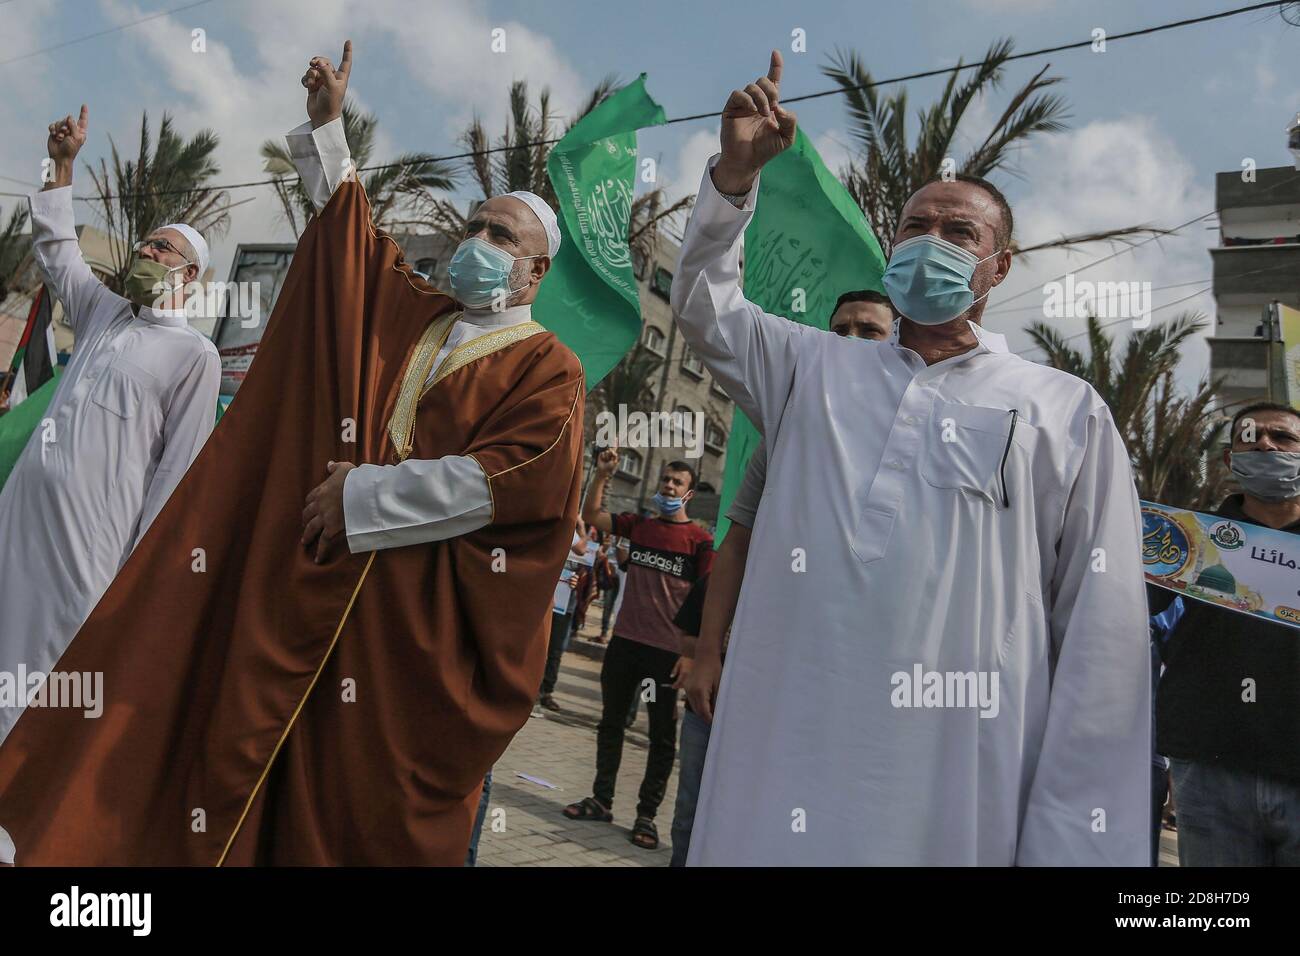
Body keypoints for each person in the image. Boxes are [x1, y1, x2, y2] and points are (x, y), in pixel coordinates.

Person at [0, 42, 585, 867]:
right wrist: (328, 126)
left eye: (500, 236)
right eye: (475, 224)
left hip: (407, 643)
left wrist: (363, 498)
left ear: (535, 272)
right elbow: (353, 245)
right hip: (318, 610)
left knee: (359, 819)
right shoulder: (416, 316)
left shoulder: (548, 368)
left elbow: (511, 481)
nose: (478, 240)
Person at [668, 51, 1149, 866]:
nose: (931, 241)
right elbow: (704, 306)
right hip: (784, 750)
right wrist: (733, 179)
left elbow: (1103, 641)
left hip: (959, 783)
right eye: (914, 226)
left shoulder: (1065, 412)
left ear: (999, 266)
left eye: (959, 232)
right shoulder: (812, 367)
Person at [0, 104, 221, 744]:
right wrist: (62, 164)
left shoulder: (193, 355)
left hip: (90, 550)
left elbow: (177, 475)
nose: (147, 251)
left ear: (191, 275)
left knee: (46, 677)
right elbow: (57, 248)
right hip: (23, 518)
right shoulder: (104, 311)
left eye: (163, 248)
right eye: (147, 241)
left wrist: (141, 577)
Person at [671, 291, 892, 866]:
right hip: (746, 678)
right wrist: (708, 655)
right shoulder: (787, 433)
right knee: (700, 827)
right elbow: (735, 545)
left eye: (869, 331)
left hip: (850, 700)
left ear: (899, 346)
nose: (851, 343)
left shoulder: (924, 446)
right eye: (839, 329)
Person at [1152, 402, 1300, 866]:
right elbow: (1125, 614)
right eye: (1249, 437)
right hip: (1211, 767)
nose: (1265, 444)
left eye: (1283, 437)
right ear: (1230, 460)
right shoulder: (1190, 541)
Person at [563, 456, 713, 851]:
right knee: (611, 723)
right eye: (664, 479)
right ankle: (601, 799)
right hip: (624, 645)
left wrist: (692, 654)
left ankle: (646, 815)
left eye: (677, 483)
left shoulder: (700, 543)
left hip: (665, 655)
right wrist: (602, 474)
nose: (667, 487)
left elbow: (707, 602)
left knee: (662, 737)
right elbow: (593, 514)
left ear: (689, 493)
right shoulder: (640, 526)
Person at [537, 522, 590, 712]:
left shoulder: (574, 532)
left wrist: (582, 528)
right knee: (538, 647)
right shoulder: (558, 525)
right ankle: (532, 689)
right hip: (543, 601)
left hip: (565, 602)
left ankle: (546, 691)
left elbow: (585, 553)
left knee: (555, 650)